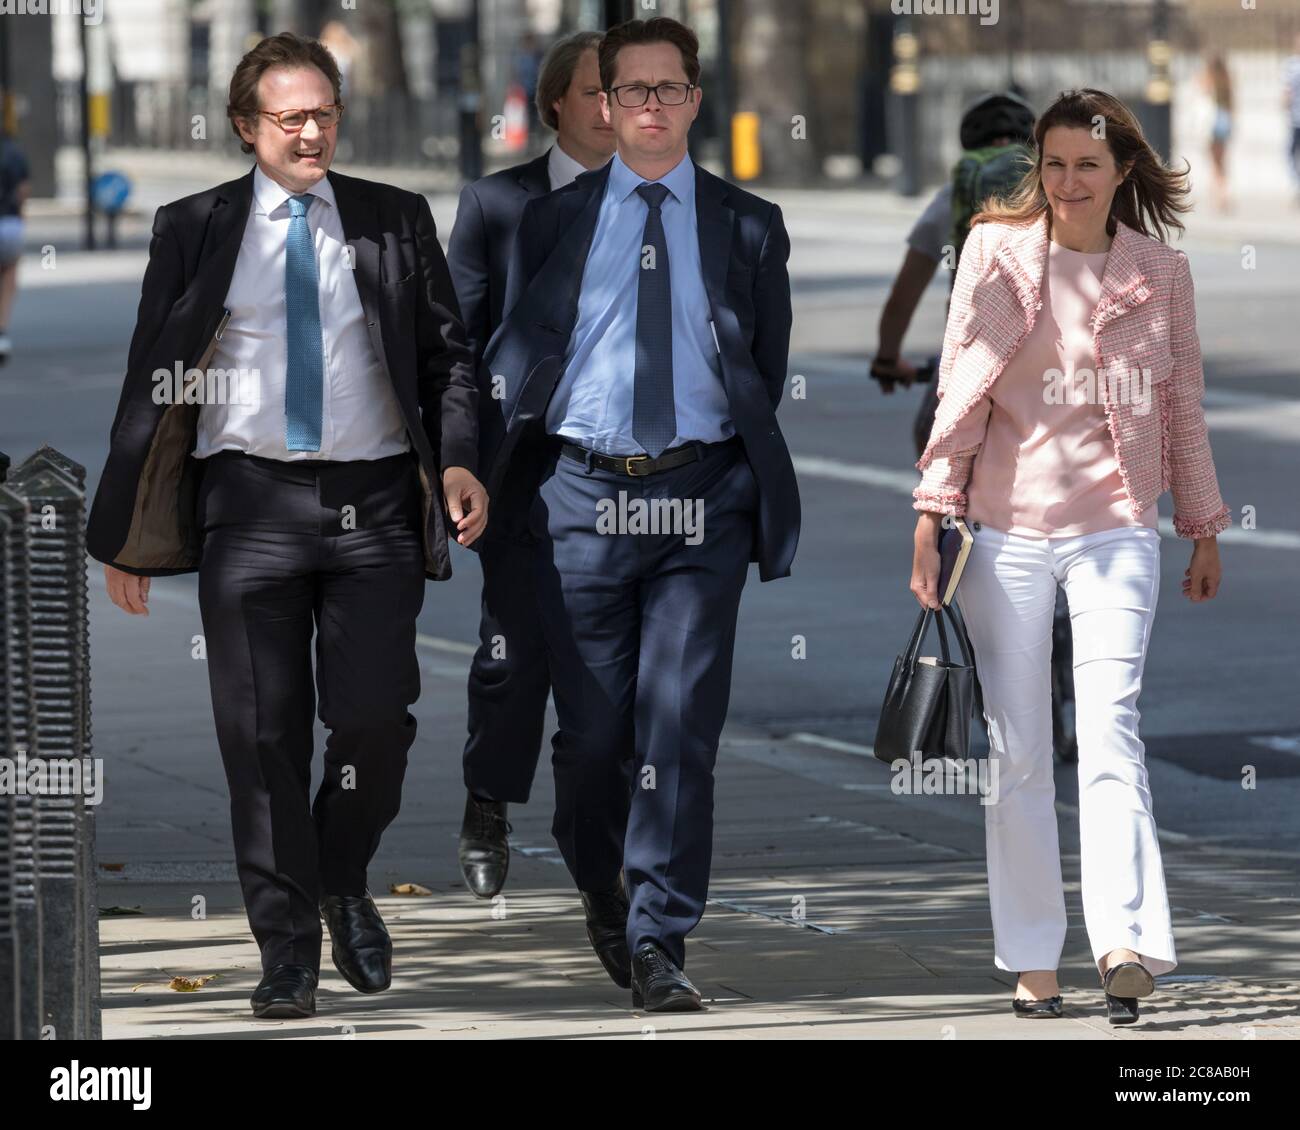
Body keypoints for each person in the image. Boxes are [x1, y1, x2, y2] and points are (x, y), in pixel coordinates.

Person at [86, 32, 486, 1020]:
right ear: (245, 127)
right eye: (289, 117)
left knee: (373, 717)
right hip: (249, 505)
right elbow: (153, 378)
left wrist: (464, 455)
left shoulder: (393, 217)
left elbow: (449, 358)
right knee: (258, 737)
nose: (311, 131)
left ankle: (342, 875)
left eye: (324, 113)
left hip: (374, 506)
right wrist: (124, 532)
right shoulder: (195, 225)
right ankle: (286, 948)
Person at [482, 16, 799, 1010]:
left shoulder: (749, 225)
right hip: (580, 493)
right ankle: (601, 883)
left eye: (671, 89)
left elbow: (762, 371)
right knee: (590, 737)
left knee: (679, 727)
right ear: (605, 105)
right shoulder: (551, 219)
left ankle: (661, 933)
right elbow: (514, 350)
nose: (652, 106)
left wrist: (729, 484)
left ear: (694, 102)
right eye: (633, 91)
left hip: (700, 496)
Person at [909, 88, 1229, 1026]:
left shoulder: (1159, 273)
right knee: (1016, 750)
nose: (1068, 181)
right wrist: (933, 508)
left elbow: (1181, 409)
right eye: (1052, 165)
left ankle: (1123, 941)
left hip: (1115, 527)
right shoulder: (994, 252)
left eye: (1088, 165)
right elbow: (958, 386)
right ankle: (1033, 960)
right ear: (1035, 170)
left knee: (1110, 730)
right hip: (1004, 532)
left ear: (1121, 171)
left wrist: (1201, 526)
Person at [447, 30, 615, 901]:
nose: (615, 108)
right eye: (596, 91)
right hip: (526, 466)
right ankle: (488, 798)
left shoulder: (666, 201)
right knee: (514, 656)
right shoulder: (496, 204)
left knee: (604, 670)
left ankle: (601, 851)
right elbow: (458, 347)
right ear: (556, 102)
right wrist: (461, 463)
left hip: (629, 473)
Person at [0, 131, 31, 363]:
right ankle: (1, 333)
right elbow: (23, 191)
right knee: (9, 274)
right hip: (10, 224)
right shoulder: (13, 152)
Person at [1201, 53, 1233, 213]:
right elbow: (1232, 105)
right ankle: (1222, 192)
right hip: (1225, 120)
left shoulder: (1208, 78)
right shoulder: (1227, 80)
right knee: (1222, 161)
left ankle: (1219, 194)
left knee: (1214, 161)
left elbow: (1201, 97)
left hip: (1212, 121)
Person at [1283, 34, 1300, 201]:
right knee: (1290, 152)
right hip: (1295, 118)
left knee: (1290, 153)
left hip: (1295, 118)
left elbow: (1287, 92)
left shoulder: (1291, 65)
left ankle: (1297, 184)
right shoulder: (1290, 65)